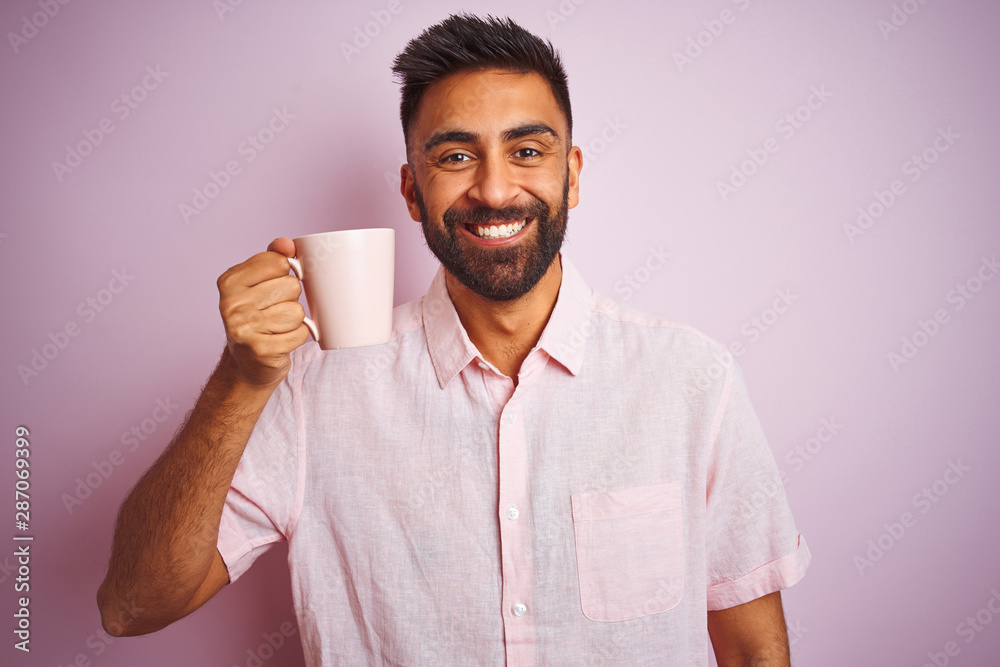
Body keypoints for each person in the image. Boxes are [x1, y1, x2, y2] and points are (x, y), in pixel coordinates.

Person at [97, 13, 810, 666]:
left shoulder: (692, 380)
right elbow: (133, 605)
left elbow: (753, 652)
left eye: (527, 149)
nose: (496, 190)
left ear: (573, 173)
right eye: (457, 157)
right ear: (412, 191)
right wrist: (239, 378)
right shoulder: (311, 389)